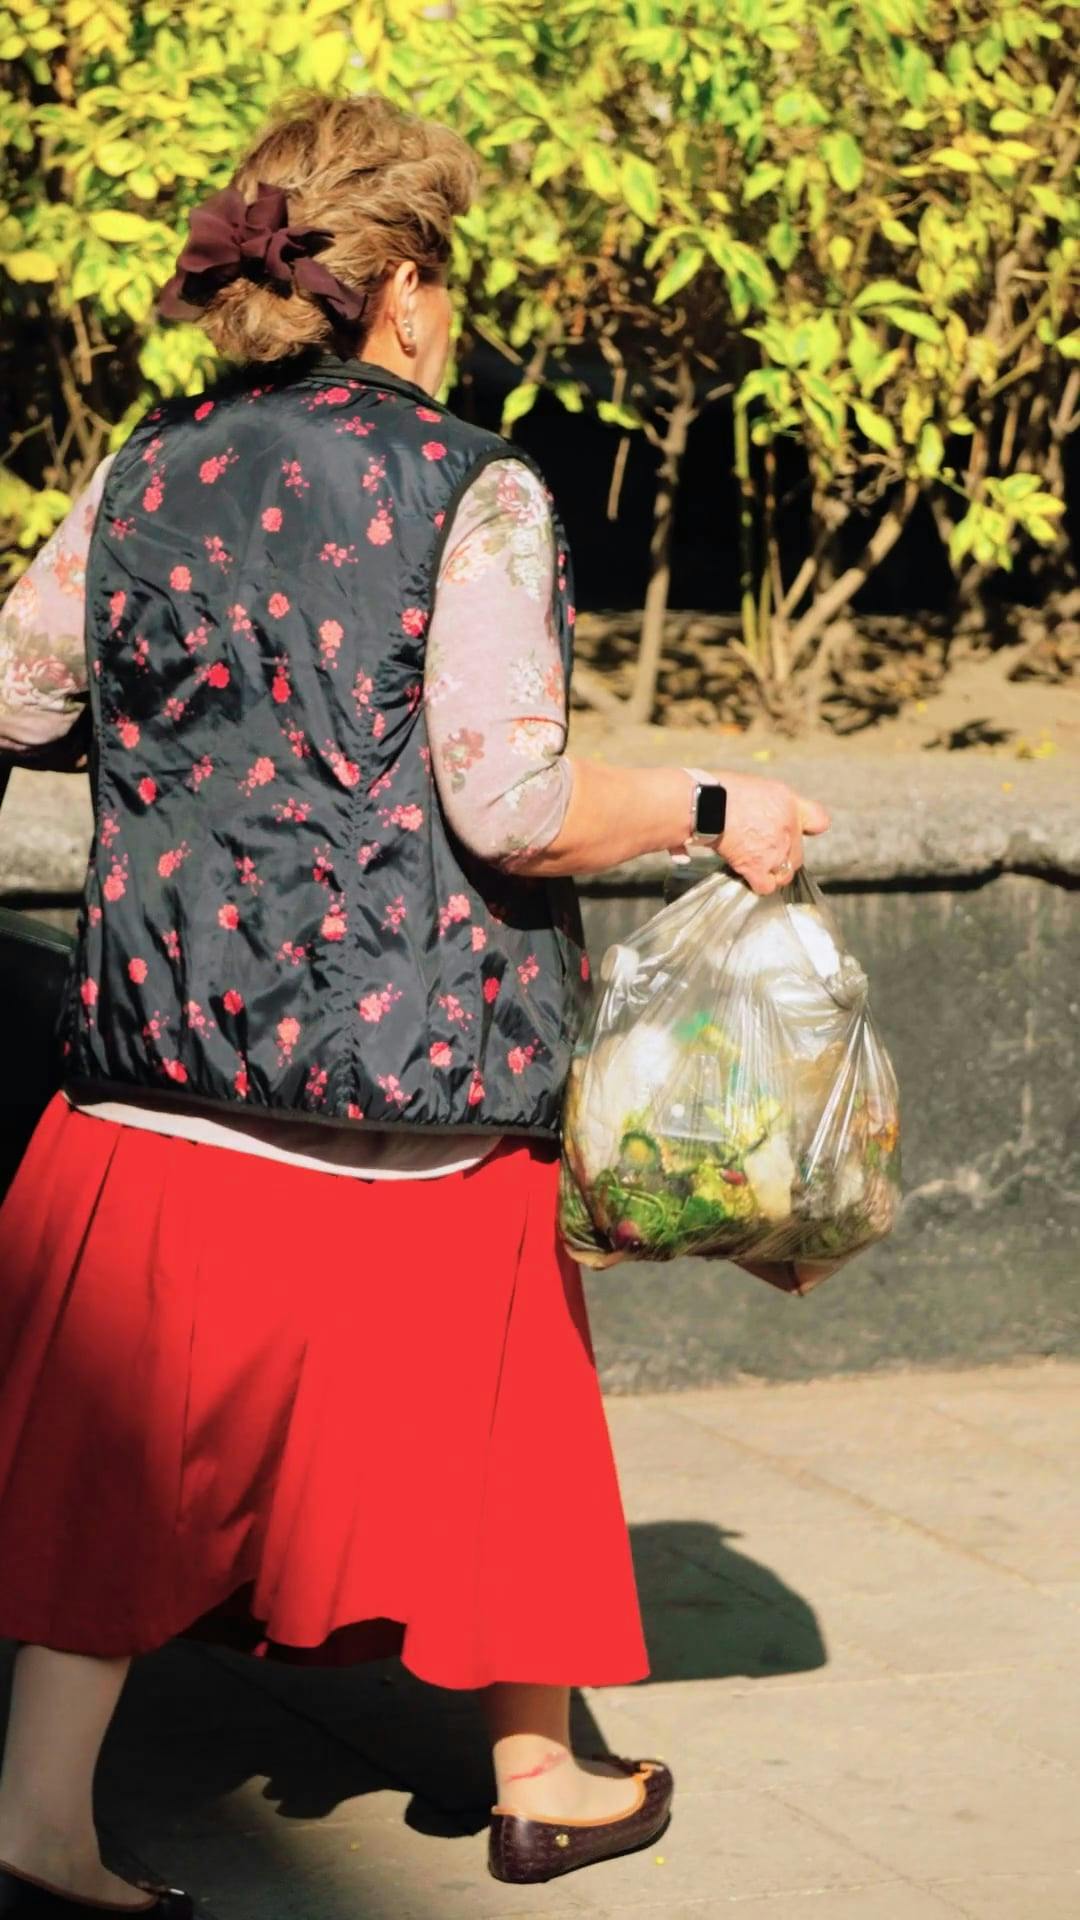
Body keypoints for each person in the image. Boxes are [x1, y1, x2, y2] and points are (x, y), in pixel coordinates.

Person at [0, 91, 829, 1912]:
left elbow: (14, 697)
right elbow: (511, 797)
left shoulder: (143, 467)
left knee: (105, 1481)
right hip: (405, 1106)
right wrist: (714, 807)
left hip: (156, 1089)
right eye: (445, 276)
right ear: (399, 293)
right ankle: (541, 1772)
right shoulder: (474, 483)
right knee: (506, 1430)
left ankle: (41, 1828)